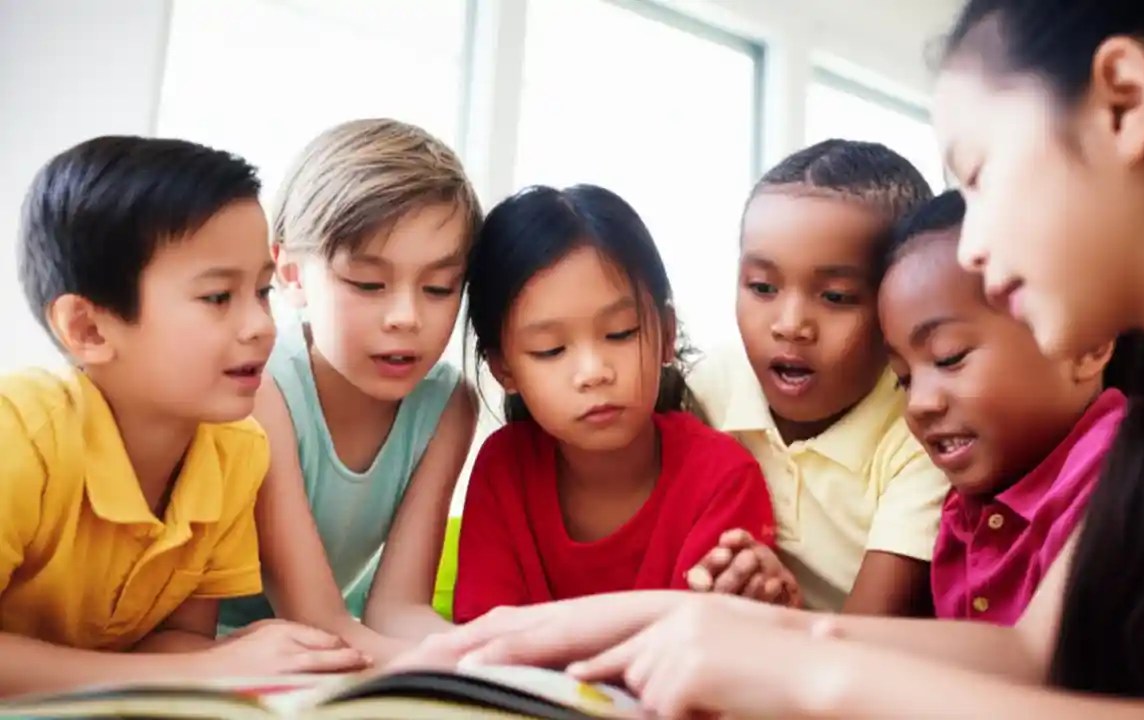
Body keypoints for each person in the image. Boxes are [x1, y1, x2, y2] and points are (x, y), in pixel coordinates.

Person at [397, 0, 1144, 716]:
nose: (966, 249)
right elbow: (1030, 654)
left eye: (976, 175)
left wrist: (810, 677)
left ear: (1123, 101)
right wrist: (672, 618)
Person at [0, 136, 366, 697]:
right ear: (88, 329)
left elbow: (174, 637)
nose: (261, 326)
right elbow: (172, 666)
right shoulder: (20, 434)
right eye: (218, 297)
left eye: (263, 291)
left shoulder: (235, 453)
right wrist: (195, 668)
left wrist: (243, 655)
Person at [217, 119, 482, 662]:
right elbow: (317, 618)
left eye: (438, 288)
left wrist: (514, 659)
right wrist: (470, 665)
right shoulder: (264, 386)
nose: (406, 317)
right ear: (290, 273)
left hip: (329, 647)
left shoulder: (448, 403)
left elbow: (397, 608)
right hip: (221, 648)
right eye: (368, 284)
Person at [451, 185, 776, 623]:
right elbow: (482, 634)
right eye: (550, 349)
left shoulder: (723, 479)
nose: (593, 372)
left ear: (665, 333)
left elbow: (704, 646)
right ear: (503, 369)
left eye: (620, 333)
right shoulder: (504, 467)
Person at [686, 140, 948, 614]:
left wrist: (787, 615)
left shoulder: (923, 428)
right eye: (762, 288)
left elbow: (867, 636)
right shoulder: (711, 386)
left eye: (835, 297)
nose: (789, 324)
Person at [878, 190, 1121, 625]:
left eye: (949, 357)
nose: (918, 403)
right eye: (903, 379)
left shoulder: (1119, 475)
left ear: (1088, 344)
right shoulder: (961, 513)